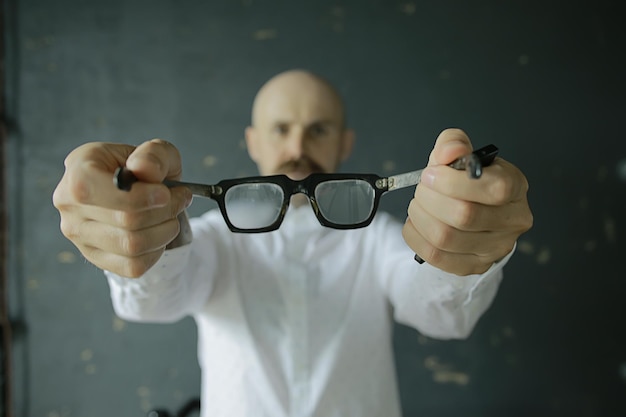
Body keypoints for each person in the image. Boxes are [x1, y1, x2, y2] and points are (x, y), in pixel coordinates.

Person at [52, 69, 532, 417]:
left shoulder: (380, 242)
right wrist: (145, 232)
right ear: (254, 142)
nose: (298, 146)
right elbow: (153, 302)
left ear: (344, 144)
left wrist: (465, 242)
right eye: (281, 129)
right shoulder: (216, 242)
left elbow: (442, 313)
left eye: (317, 129)